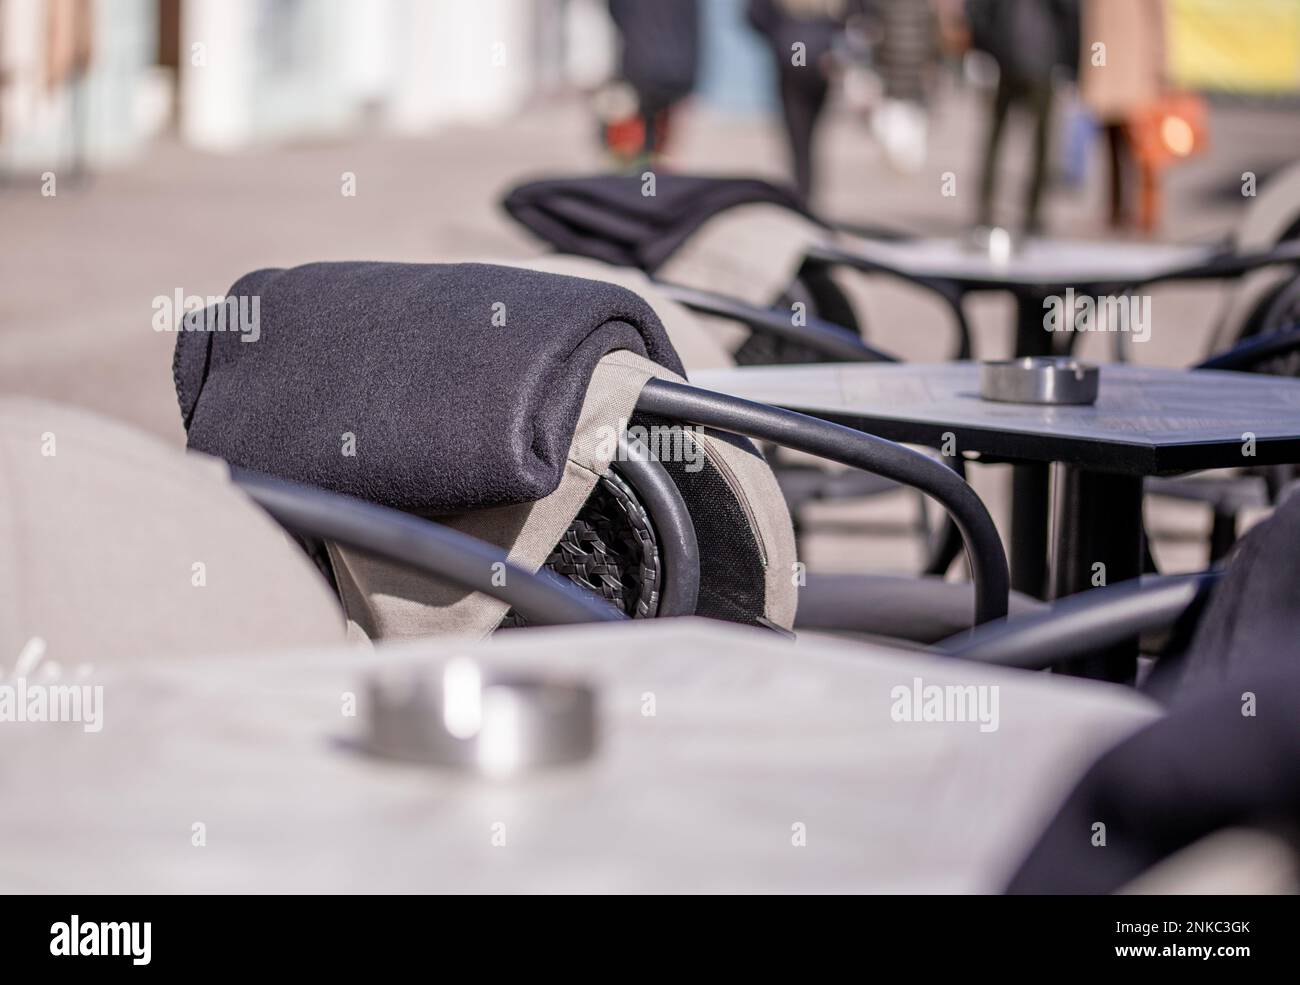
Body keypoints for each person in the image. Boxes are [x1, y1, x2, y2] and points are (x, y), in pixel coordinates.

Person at [967, 0, 1079, 234]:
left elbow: (980, 9)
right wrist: (1072, 64)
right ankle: (1032, 213)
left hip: (1008, 54)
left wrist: (982, 49)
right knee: (1040, 142)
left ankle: (986, 208)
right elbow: (1069, 13)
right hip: (1041, 57)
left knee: (997, 137)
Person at [748, 0, 852, 205]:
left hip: (795, 59)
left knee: (799, 137)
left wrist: (781, 36)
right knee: (810, 135)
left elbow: (755, 15)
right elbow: (858, 11)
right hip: (819, 60)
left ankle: (803, 192)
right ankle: (805, 192)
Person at [1078, 0, 1168, 231]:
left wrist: (1161, 65)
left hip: (1134, 64)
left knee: (1142, 146)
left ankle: (1146, 211)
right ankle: (1115, 208)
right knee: (1111, 143)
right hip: (1105, 64)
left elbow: (1159, 18)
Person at [607, 0, 700, 166]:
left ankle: (641, 180)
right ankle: (651, 179)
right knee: (656, 144)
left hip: (640, 65)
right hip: (677, 69)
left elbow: (616, 13)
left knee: (632, 145)